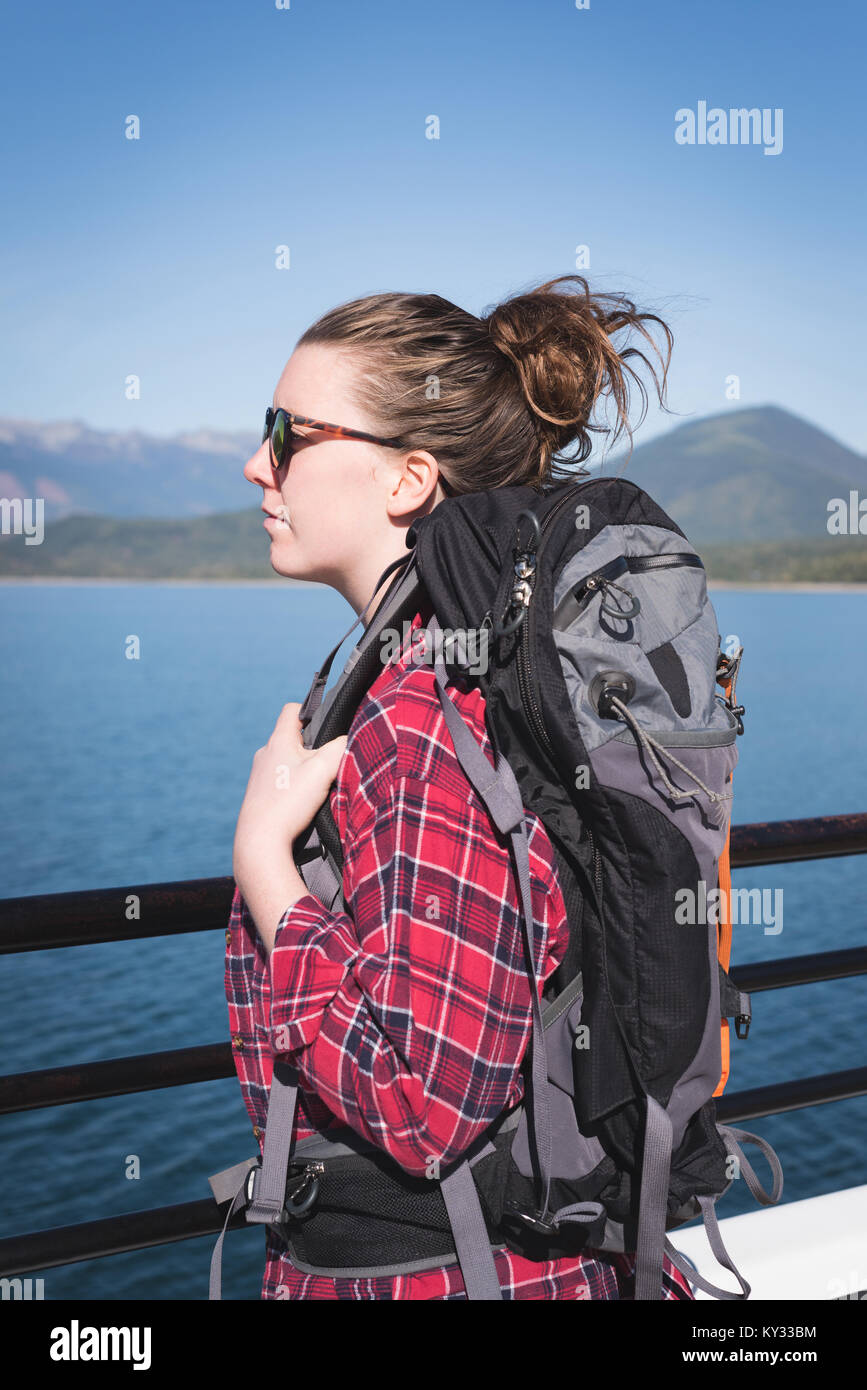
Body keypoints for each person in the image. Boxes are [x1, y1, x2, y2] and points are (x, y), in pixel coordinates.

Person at [227, 275, 695, 1300]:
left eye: (289, 433)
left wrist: (266, 866)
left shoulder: (419, 709)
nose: (256, 461)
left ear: (407, 479)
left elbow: (425, 1095)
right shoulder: (424, 673)